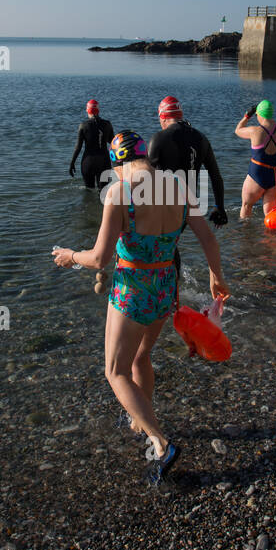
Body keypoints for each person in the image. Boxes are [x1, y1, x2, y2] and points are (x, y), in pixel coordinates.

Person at [53, 131, 229, 485]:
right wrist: (216, 278)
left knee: (115, 371)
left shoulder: (120, 191)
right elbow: (208, 237)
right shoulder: (178, 187)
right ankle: (138, 419)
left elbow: (100, 257)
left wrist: (70, 257)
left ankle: (160, 443)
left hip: (133, 290)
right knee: (140, 358)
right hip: (166, 287)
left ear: (118, 162)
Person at [148, 96, 228, 227]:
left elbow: (144, 176)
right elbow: (216, 177)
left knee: (160, 245)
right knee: (171, 244)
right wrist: (220, 207)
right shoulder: (201, 138)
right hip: (188, 208)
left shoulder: (158, 139)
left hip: (164, 208)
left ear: (162, 117)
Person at [235, 99, 276, 220]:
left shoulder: (255, 131)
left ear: (259, 114)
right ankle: (271, 238)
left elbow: (238, 130)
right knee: (270, 215)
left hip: (258, 174)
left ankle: (245, 236)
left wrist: (247, 116)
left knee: (246, 207)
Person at [69, 99, 114, 190]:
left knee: (89, 191)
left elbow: (78, 147)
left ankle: (88, 204)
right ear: (98, 111)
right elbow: (113, 143)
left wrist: (72, 163)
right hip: (104, 162)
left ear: (88, 110)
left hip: (88, 162)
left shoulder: (83, 125)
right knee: (104, 192)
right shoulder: (107, 124)